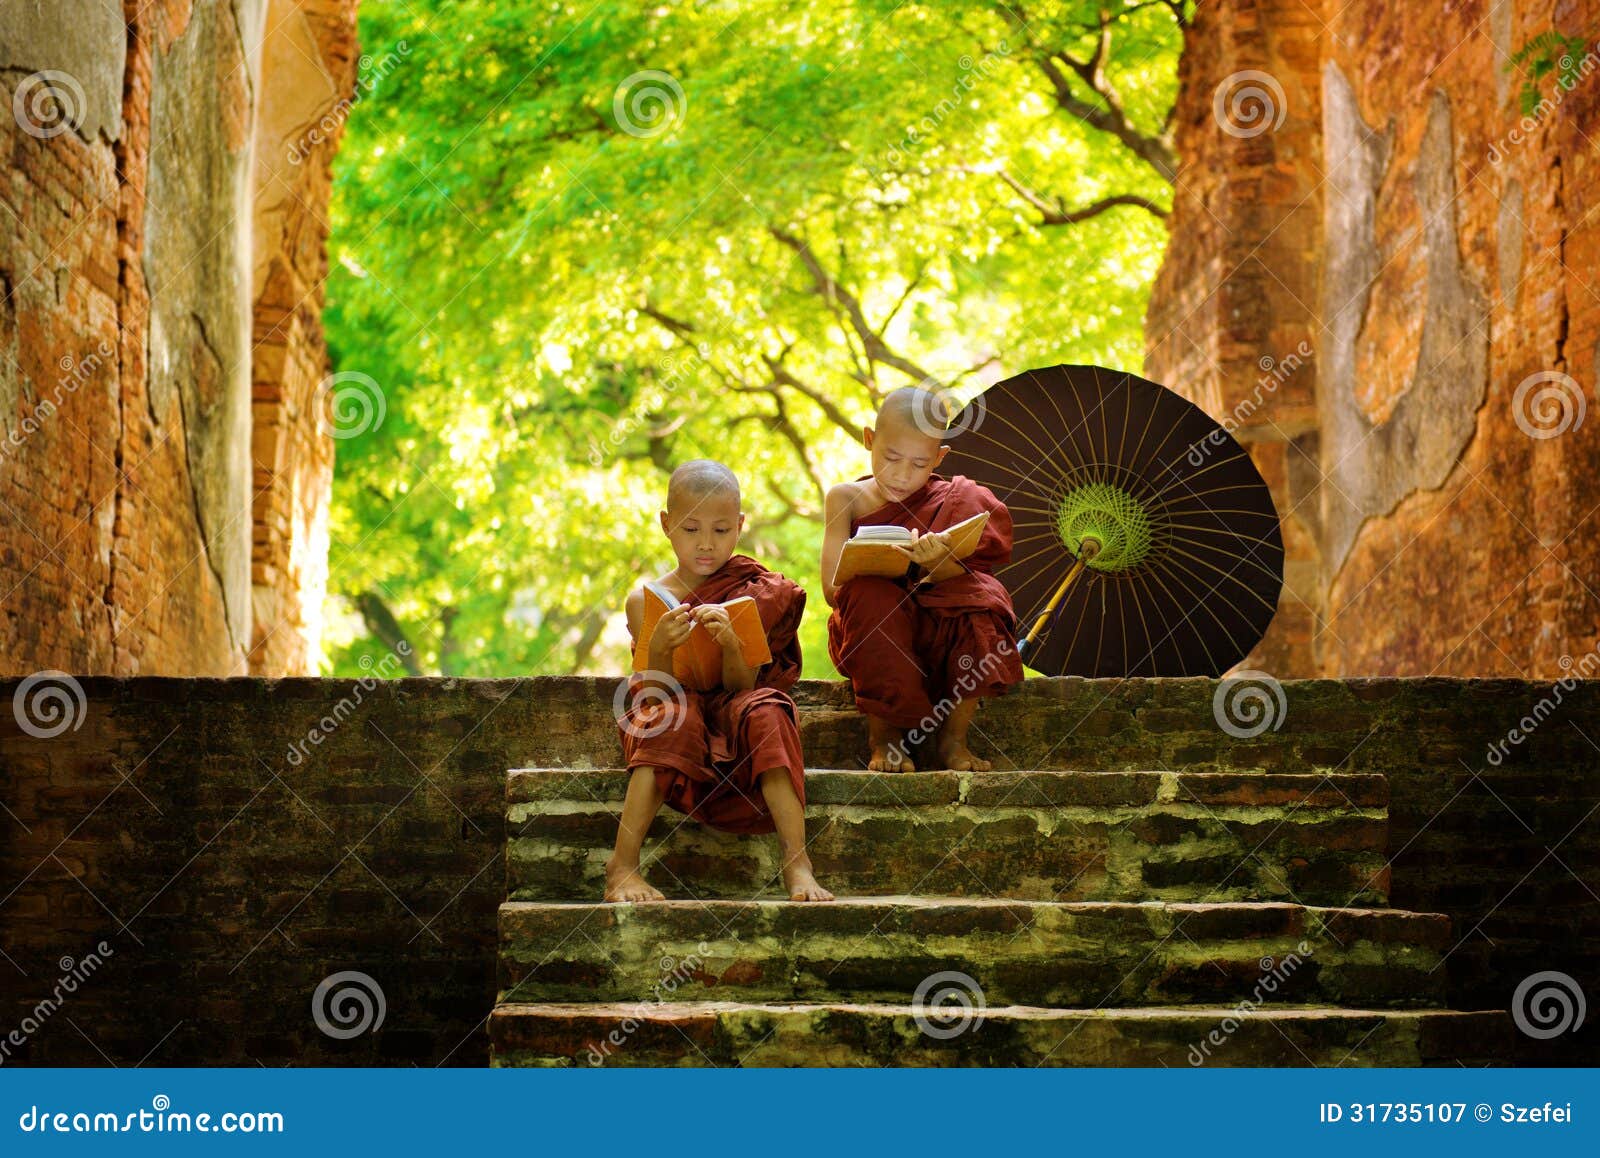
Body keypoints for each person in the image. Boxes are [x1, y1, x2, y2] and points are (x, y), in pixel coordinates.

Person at [607, 459, 833, 903]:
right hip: (676, 702)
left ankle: (797, 863)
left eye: (721, 530)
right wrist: (661, 648)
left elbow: (742, 685)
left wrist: (732, 644)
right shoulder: (645, 599)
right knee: (673, 716)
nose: (707, 545)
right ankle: (622, 866)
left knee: (768, 710)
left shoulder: (751, 591)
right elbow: (653, 687)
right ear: (666, 524)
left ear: (741, 526)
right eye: (691, 530)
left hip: (733, 704)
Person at [821, 386, 1024, 772]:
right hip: (873, 628)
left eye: (918, 464)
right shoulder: (845, 497)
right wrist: (877, 563)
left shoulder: (956, 498)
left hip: (936, 629)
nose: (901, 475)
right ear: (869, 439)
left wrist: (935, 564)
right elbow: (833, 590)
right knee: (868, 593)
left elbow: (971, 572)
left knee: (981, 595)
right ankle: (885, 736)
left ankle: (953, 740)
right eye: (891, 457)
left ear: (939, 456)